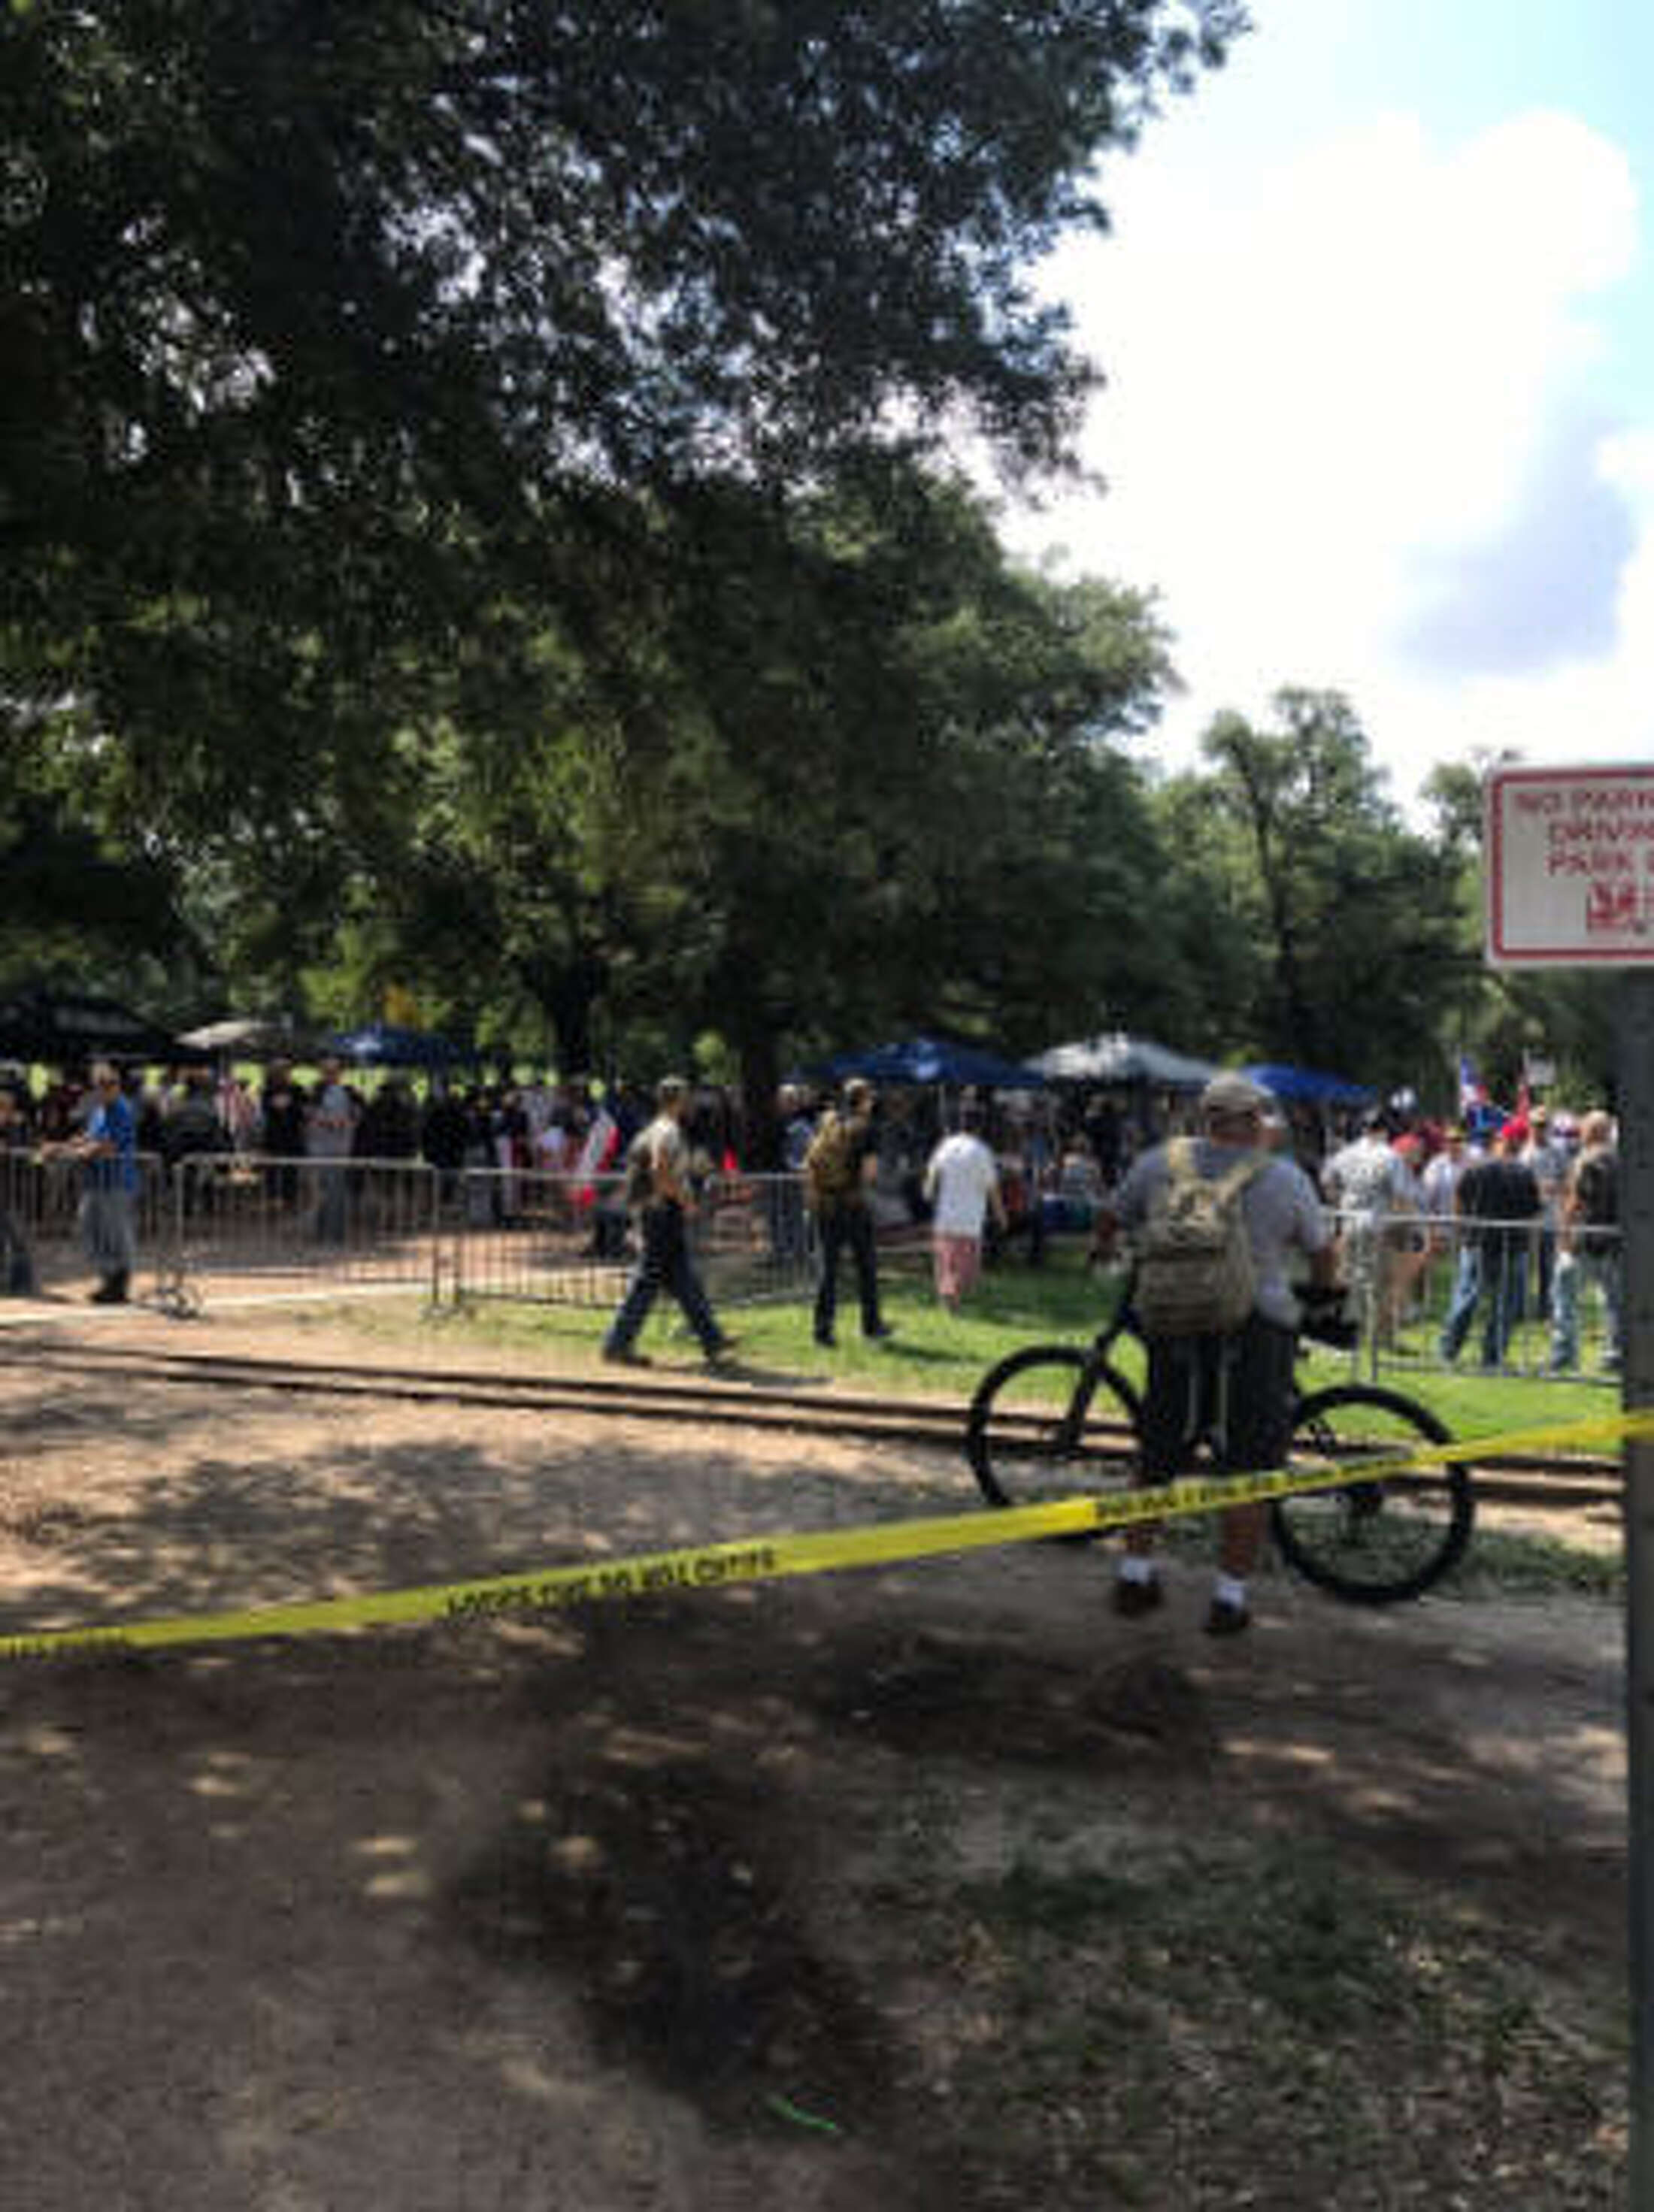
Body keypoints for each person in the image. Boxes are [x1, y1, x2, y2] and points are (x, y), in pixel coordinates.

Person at [1095, 1070, 1337, 1636]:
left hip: (1175, 1326)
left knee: (1157, 1452)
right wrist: (1322, 1305)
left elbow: (1112, 1218)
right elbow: (1322, 1254)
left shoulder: (1159, 1163)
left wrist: (1105, 1253)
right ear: (1254, 1121)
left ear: (1204, 1119)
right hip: (1255, 1332)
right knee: (1249, 1466)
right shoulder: (1283, 1177)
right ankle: (1228, 1599)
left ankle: (1135, 1575)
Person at [601, 1076, 737, 1367]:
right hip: (664, 1212)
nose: (689, 1104)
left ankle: (712, 1340)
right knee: (649, 1281)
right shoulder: (668, 1130)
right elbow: (660, 1171)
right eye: (686, 1098)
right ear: (677, 1100)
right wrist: (685, 1201)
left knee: (682, 1280)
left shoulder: (653, 1128)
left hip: (656, 1212)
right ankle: (616, 1344)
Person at [1438, 1125, 1542, 1369]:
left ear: (1499, 1141)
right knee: (1504, 1305)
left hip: (1478, 1244)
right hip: (1512, 1247)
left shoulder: (1475, 1168)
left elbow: (1459, 1200)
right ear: (1517, 1145)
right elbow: (1533, 1214)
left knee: (1466, 1300)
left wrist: (1463, 1232)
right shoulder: (1525, 1174)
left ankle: (1448, 1351)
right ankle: (1492, 1358)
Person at [805, 1077, 894, 1348]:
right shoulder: (868, 1128)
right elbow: (870, 1173)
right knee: (866, 1267)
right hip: (853, 1205)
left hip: (824, 1204)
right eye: (871, 1096)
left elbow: (811, 1162)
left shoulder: (827, 1121)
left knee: (827, 1270)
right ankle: (871, 1327)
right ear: (865, 1099)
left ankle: (822, 1331)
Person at [1321, 1109, 1416, 1348]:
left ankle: (1345, 1334)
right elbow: (1400, 1196)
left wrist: (1340, 1206)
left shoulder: (1345, 1153)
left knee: (1349, 1280)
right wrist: (1402, 1226)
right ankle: (1379, 1340)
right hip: (1376, 1223)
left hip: (1349, 1221)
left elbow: (1327, 1182)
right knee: (1379, 1284)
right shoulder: (1390, 1156)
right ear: (1385, 1130)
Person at [51, 1062, 141, 1303]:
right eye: (100, 1085)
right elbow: (90, 1138)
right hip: (96, 1181)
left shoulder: (123, 1109)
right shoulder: (100, 1110)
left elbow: (110, 1145)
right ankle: (109, 1276)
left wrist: (80, 1153)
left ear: (118, 1086)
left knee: (114, 1234)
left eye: (110, 1084)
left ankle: (117, 1283)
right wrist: (63, 1146)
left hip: (117, 1181)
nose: (105, 1089)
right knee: (87, 1227)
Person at [1549, 1110, 1621, 1374]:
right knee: (1614, 1303)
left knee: (1564, 1297)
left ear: (1591, 1132)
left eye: (1582, 1129)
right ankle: (1615, 1354)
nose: (1579, 1133)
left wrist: (1563, 1235)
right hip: (1614, 1242)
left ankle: (1564, 1353)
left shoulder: (1585, 1160)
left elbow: (1575, 1202)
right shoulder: (1622, 1159)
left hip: (1585, 1242)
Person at [922, 1106, 1006, 1312]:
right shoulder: (982, 1151)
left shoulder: (946, 1146)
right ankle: (953, 1302)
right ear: (979, 1127)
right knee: (964, 1267)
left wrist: (928, 1194)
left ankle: (948, 1300)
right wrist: (1001, 1215)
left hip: (945, 1217)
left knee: (946, 1263)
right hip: (969, 1220)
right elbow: (992, 1189)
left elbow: (931, 1179)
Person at [305, 1055, 359, 1242]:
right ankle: (320, 1233)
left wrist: (340, 1122)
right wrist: (325, 1121)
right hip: (319, 1151)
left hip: (339, 1151)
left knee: (336, 1193)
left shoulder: (347, 1092)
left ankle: (335, 1234)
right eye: (326, 1071)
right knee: (320, 1193)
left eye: (333, 1071)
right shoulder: (315, 1091)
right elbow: (310, 1116)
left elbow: (352, 1117)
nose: (330, 1075)